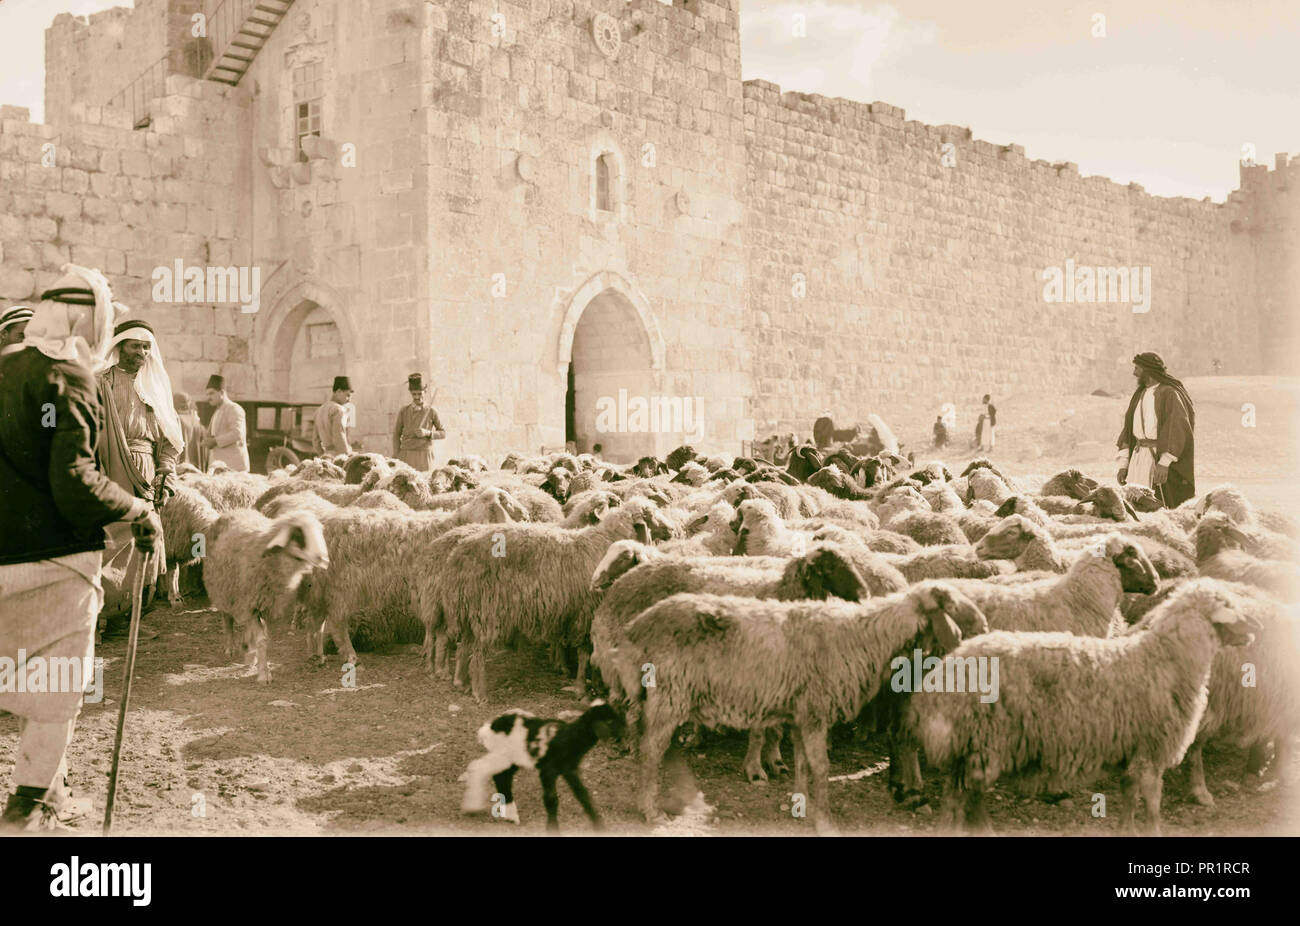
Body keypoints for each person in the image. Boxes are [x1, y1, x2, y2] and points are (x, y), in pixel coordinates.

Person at [0, 265, 162, 831]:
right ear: (85, 320)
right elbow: (73, 481)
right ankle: (25, 809)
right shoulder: (69, 376)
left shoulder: (4, 368)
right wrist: (138, 509)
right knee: (54, 696)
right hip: (56, 567)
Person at [95, 319, 183, 637]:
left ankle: (125, 621)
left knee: (143, 542)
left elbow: (170, 441)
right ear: (120, 347)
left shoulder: (155, 388)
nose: (142, 353)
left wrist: (165, 473)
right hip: (106, 468)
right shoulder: (100, 381)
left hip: (145, 471)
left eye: (147, 347)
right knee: (108, 542)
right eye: (135, 346)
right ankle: (97, 617)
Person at [1117, 351, 1196, 508]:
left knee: (1159, 506)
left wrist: (1164, 463)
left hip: (1157, 460)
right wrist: (1123, 464)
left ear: (1148, 371)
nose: (1134, 373)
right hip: (1137, 460)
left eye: (1137, 369)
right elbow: (1127, 430)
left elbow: (1176, 428)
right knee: (1134, 506)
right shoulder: (1139, 394)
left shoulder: (1169, 393)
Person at [391, 373, 445, 471]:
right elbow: (396, 434)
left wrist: (427, 433)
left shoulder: (432, 411)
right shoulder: (404, 411)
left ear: (425, 391)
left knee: (424, 482)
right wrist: (396, 454)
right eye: (414, 394)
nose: (417, 397)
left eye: (420, 393)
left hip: (424, 456)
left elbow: (443, 433)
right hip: (406, 454)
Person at [203, 374, 249, 472]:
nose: (208, 397)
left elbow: (237, 433)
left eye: (211, 393)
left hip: (233, 466)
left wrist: (215, 441)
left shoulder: (233, 408)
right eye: (207, 394)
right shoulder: (218, 411)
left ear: (222, 392)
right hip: (219, 466)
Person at [314, 375, 353, 456]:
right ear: (338, 391)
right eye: (347, 395)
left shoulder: (319, 410)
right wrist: (347, 456)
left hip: (327, 456)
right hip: (339, 456)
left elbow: (315, 440)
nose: (349, 399)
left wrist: (323, 456)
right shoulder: (339, 410)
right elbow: (339, 435)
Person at [173, 391, 211, 473]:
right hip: (195, 461)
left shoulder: (176, 418)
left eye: (186, 402)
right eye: (183, 402)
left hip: (182, 461)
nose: (185, 405)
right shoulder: (195, 419)